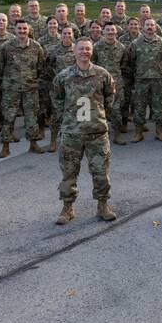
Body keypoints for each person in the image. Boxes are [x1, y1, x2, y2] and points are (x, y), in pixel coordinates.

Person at [52, 37, 118, 224]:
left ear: (92, 51)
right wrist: (67, 118)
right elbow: (57, 98)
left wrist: (99, 116)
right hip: (72, 133)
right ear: (74, 51)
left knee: (100, 171)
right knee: (69, 172)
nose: (84, 52)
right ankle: (67, 207)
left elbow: (109, 97)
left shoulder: (102, 74)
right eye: (81, 49)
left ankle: (103, 205)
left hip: (96, 132)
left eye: (87, 49)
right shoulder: (64, 76)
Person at [0, 20, 47, 155]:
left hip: (30, 88)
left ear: (28, 30)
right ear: (15, 30)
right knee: (8, 117)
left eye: (24, 28)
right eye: (19, 28)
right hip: (11, 88)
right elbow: (0, 66)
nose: (22, 31)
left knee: (31, 117)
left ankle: (33, 143)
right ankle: (5, 147)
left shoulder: (36, 47)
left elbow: (40, 67)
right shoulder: (6, 46)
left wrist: (32, 80)